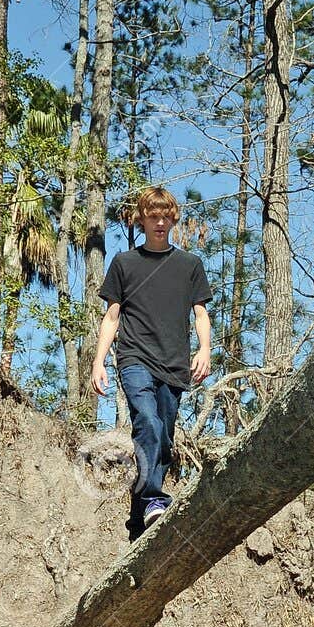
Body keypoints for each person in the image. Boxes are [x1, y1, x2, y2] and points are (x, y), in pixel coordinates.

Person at [90, 185, 213, 530]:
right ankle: (154, 498)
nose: (159, 222)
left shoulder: (189, 264)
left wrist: (205, 350)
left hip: (174, 364)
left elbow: (200, 314)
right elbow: (112, 317)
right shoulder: (124, 263)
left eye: (164, 217)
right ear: (141, 220)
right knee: (148, 421)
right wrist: (99, 362)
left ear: (173, 220)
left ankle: (138, 513)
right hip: (134, 360)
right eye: (152, 216)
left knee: (164, 438)